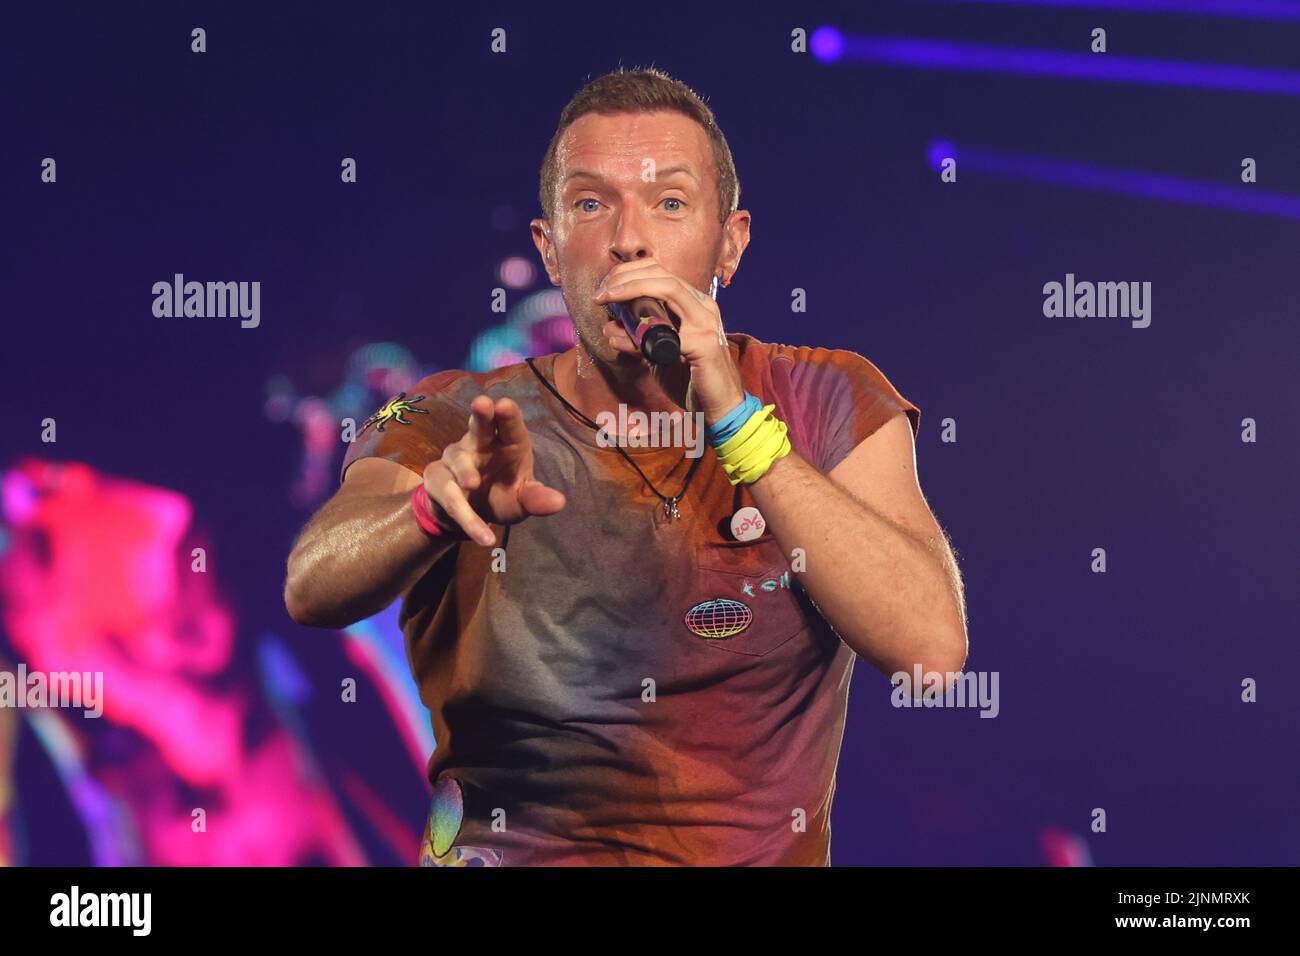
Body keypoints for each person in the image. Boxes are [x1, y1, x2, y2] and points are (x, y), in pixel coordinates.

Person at [285, 66, 967, 866]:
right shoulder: (451, 413)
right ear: (549, 248)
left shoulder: (827, 394)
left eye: (670, 203)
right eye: (589, 204)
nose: (628, 239)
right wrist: (434, 512)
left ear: (732, 242)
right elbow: (312, 582)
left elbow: (930, 650)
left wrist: (741, 423)